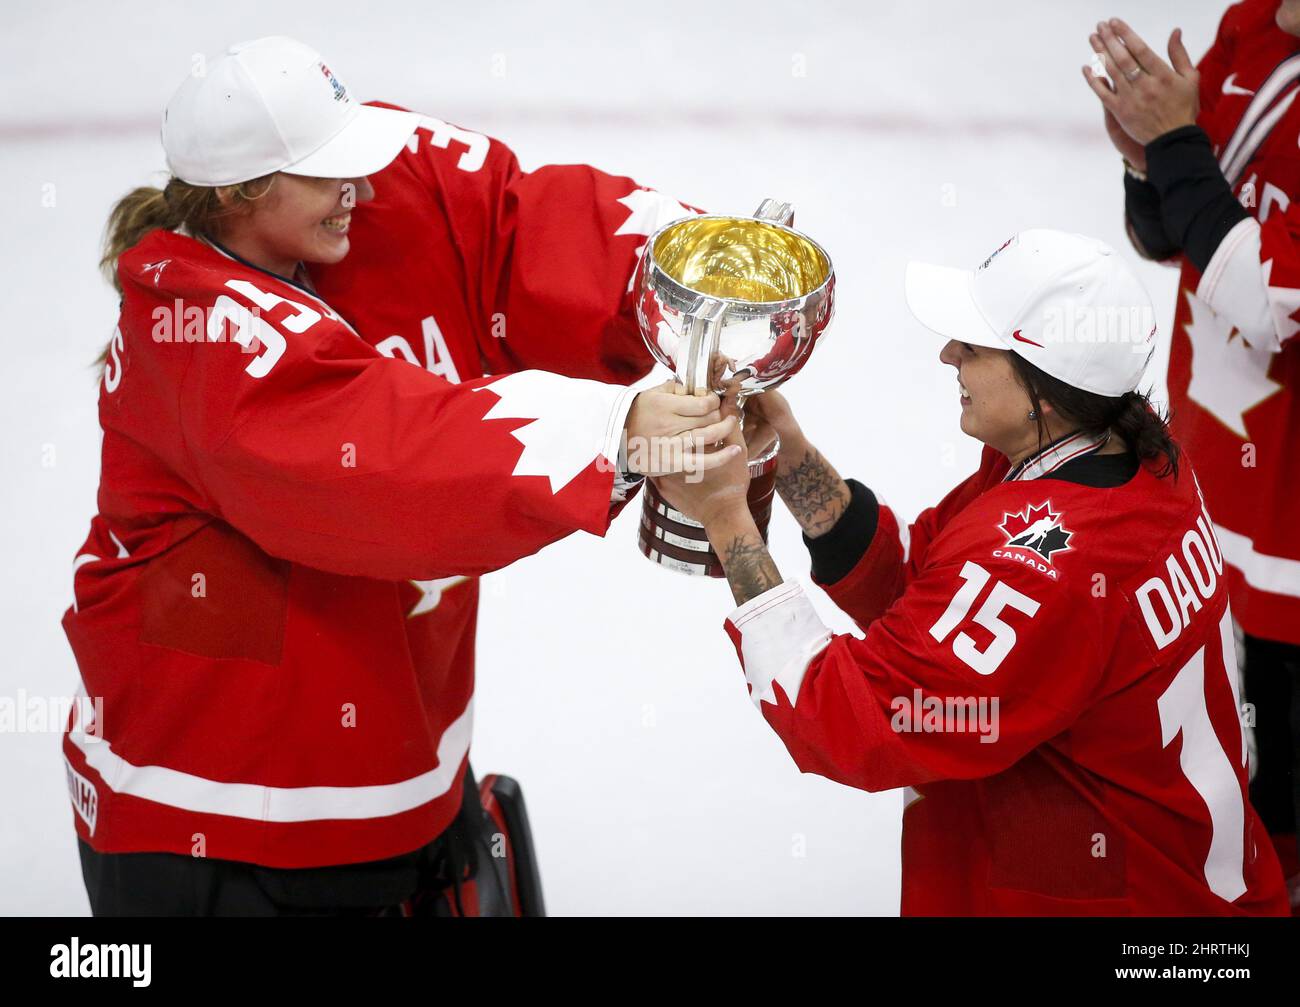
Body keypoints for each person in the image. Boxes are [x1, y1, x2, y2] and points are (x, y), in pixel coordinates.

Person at [64, 36, 739, 916]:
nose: (363, 188)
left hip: (395, 765)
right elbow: (387, 467)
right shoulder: (190, 337)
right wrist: (615, 431)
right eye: (328, 172)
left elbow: (505, 226)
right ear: (237, 193)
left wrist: (689, 275)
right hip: (215, 813)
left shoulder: (354, 196)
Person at [653, 229, 1290, 915]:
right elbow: (921, 584)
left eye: (975, 345)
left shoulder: (1043, 564)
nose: (947, 353)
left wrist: (727, 522)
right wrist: (791, 452)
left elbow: (847, 720)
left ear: (1044, 389)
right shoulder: (1135, 459)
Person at [1083, 5, 1300, 907]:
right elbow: (1175, 227)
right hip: (1229, 467)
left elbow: (1270, 300)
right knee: (1260, 714)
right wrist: (1147, 157)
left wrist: (1173, 143)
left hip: (1291, 504)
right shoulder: (1254, 25)